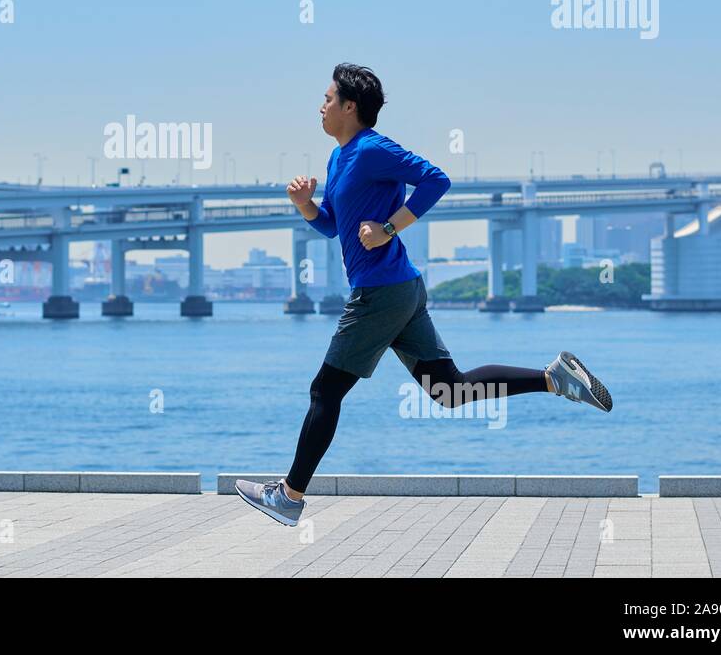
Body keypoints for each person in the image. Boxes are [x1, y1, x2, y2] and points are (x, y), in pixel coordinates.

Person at [236, 63, 613, 527]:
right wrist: (304, 205)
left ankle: (289, 497)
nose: (321, 106)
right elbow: (334, 224)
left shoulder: (373, 149)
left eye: (328, 99)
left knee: (325, 390)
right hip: (400, 290)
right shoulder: (340, 157)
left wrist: (391, 226)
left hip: (381, 293)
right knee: (447, 390)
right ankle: (554, 378)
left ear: (350, 107)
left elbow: (436, 179)